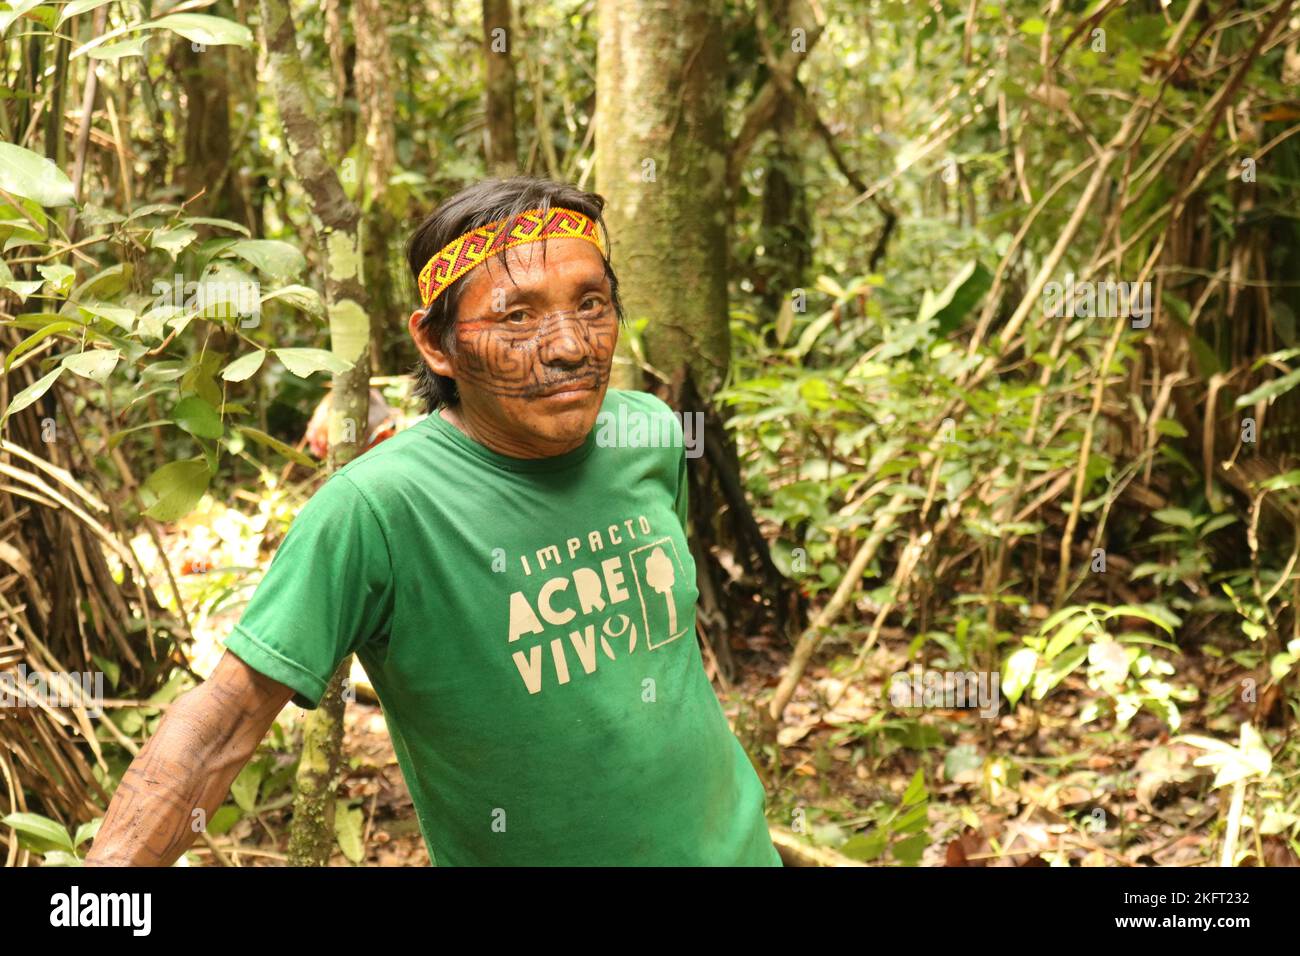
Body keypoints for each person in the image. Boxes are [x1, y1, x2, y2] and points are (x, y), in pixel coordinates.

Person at [86, 176, 782, 867]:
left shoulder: (652, 436)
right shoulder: (377, 511)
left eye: (592, 304)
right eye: (517, 317)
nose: (571, 345)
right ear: (437, 345)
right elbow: (221, 727)